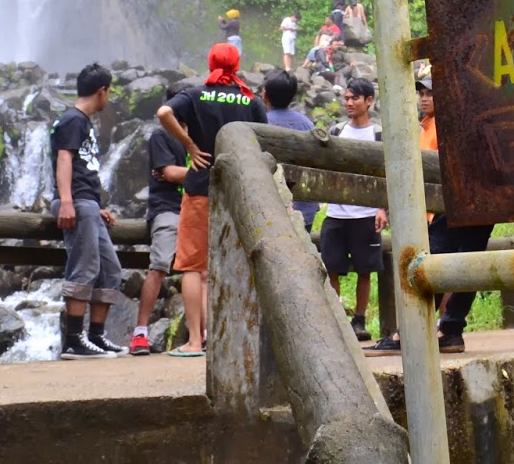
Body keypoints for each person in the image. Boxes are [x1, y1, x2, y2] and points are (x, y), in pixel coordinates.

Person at [366, 63, 492, 356]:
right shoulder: (429, 126)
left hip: (455, 204)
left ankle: (414, 332)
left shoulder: (448, 124)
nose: (424, 98)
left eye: (430, 93)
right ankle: (446, 330)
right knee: (460, 262)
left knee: (432, 259)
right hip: (453, 204)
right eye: (421, 92)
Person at [155, 42, 267, 357]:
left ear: (210, 63)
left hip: (201, 186)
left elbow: (164, 112)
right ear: (236, 64)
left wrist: (189, 145)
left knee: (193, 265)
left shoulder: (195, 94)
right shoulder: (250, 99)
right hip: (239, 191)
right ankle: (236, 340)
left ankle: (194, 341)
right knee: (241, 263)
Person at [51, 62, 126, 359]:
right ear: (102, 91)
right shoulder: (73, 119)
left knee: (110, 270)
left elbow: (84, 167)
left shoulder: (82, 121)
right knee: (84, 267)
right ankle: (73, 340)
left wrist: (98, 207)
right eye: (109, 92)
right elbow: (64, 159)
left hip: (88, 204)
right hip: (77, 203)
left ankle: (96, 336)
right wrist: (67, 201)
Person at [320, 78, 384, 342]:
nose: (349, 103)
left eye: (354, 98)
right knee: (331, 267)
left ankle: (359, 319)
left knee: (364, 270)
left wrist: (382, 208)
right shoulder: (336, 132)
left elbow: (384, 172)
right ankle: (337, 319)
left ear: (369, 101)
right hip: (336, 212)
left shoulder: (378, 135)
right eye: (346, 98)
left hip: (366, 214)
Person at [131, 124, 187, 355]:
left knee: (201, 271)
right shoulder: (161, 135)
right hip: (167, 209)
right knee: (160, 265)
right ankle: (140, 332)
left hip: (196, 208)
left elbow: (174, 173)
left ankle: (200, 332)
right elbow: (170, 173)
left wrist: (177, 173)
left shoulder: (199, 132)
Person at [261, 71, 318, 231]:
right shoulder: (307, 124)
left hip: (270, 208)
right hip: (304, 207)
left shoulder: (261, 123)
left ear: (265, 94)